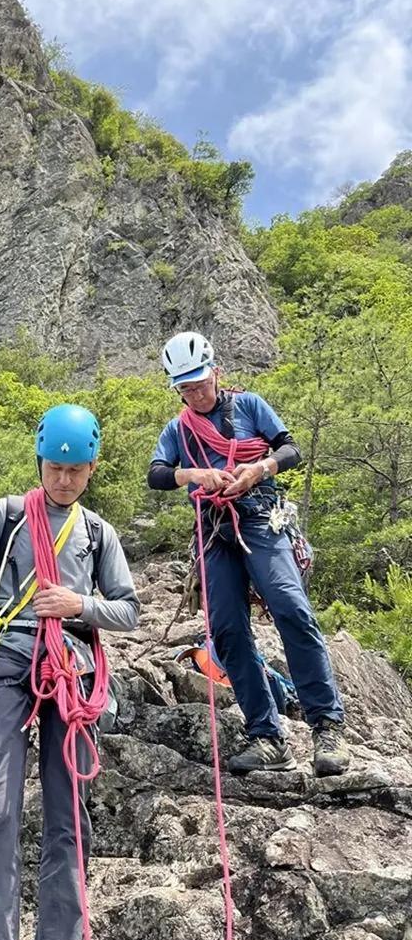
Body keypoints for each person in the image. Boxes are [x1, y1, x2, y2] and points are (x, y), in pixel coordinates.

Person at [0, 404, 139, 940]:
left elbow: (129, 610)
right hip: (6, 662)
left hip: (70, 671)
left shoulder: (98, 533)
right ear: (40, 460)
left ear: (92, 469)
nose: (64, 479)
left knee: (69, 816)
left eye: (75, 470)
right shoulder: (5, 516)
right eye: (55, 467)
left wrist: (79, 604)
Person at [148, 331, 349, 777]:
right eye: (186, 387)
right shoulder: (178, 430)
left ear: (215, 371)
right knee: (226, 629)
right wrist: (195, 474)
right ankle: (267, 735)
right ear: (176, 388)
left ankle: (327, 726)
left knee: (291, 608)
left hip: (261, 517)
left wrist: (259, 468)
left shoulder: (249, 406)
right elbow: (157, 474)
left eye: (200, 382)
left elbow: (290, 447)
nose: (196, 393)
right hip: (215, 528)